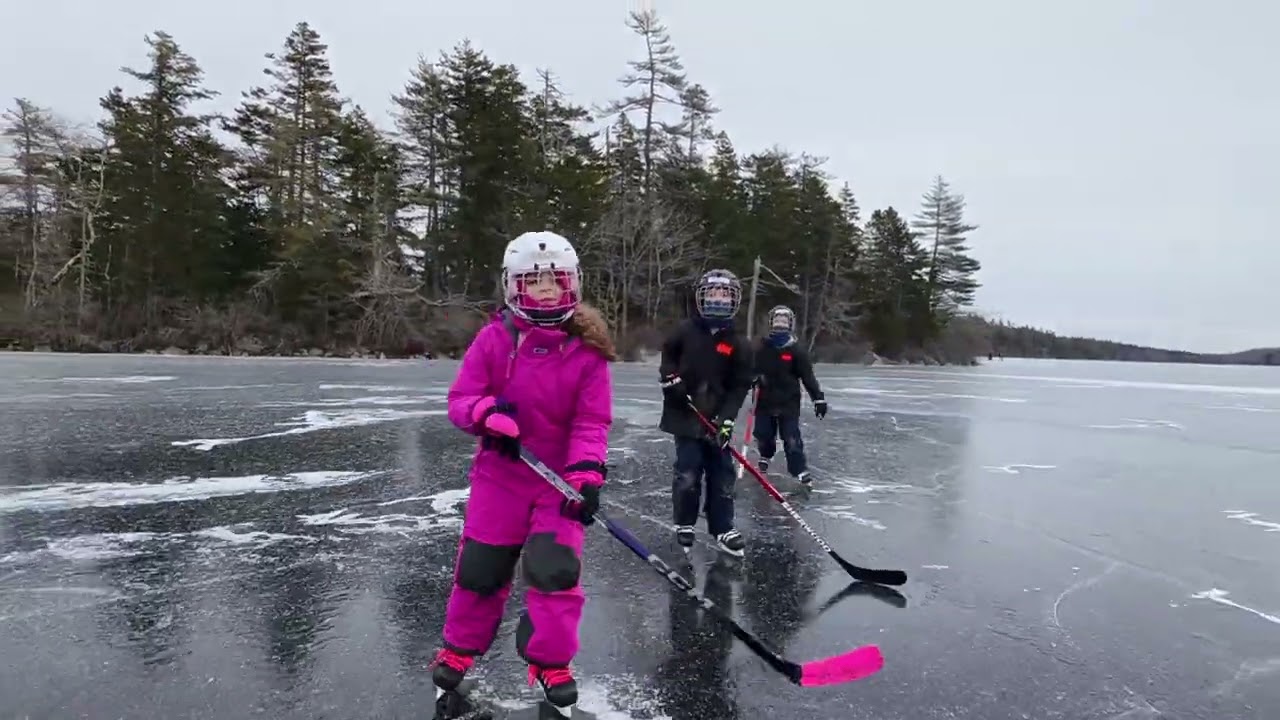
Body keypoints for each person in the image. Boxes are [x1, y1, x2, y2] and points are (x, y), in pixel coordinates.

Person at [430, 230, 616, 717]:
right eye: (535, 281)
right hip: (501, 478)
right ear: (514, 287)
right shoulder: (494, 340)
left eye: (555, 280)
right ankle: (459, 648)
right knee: (481, 571)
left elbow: (591, 421)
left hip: (557, 483)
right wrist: (486, 413)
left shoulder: (588, 352)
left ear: (572, 284)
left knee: (555, 572)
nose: (547, 289)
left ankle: (550, 661)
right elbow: (460, 401)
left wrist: (585, 474)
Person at [658, 268, 755, 557]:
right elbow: (667, 360)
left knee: (722, 473)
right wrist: (670, 381)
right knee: (688, 472)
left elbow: (739, 386)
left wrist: (726, 420)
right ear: (702, 297)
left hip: (716, 418)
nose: (719, 299)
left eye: (725, 294)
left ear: (734, 300)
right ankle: (684, 522)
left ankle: (722, 526)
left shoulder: (738, 342)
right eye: (713, 293)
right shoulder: (684, 331)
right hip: (685, 414)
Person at [751, 305, 826, 486]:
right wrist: (752, 377)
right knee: (764, 436)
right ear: (771, 324)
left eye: (784, 321)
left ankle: (798, 469)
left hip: (788, 403)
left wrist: (818, 398)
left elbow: (808, 376)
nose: (780, 324)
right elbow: (750, 370)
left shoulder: (796, 351)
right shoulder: (762, 348)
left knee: (791, 439)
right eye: (777, 321)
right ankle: (766, 455)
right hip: (764, 402)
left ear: (790, 325)